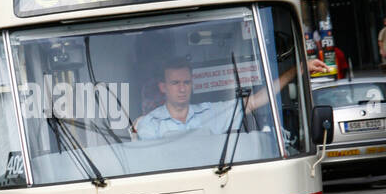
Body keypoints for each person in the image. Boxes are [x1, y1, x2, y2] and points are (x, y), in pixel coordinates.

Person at [134, 56, 326, 138]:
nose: (182, 88)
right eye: (175, 83)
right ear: (163, 87)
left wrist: (299, 68)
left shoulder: (210, 112)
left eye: (186, 82)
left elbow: (255, 101)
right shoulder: (150, 124)